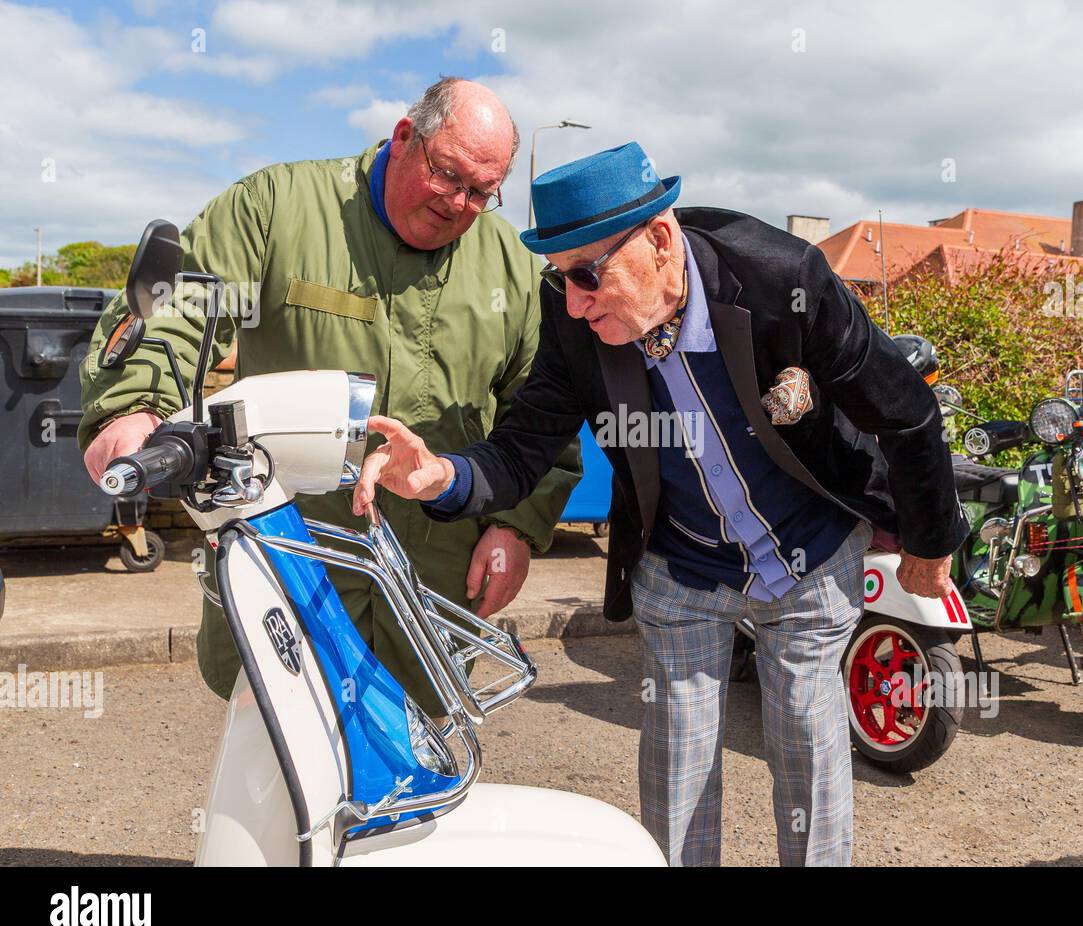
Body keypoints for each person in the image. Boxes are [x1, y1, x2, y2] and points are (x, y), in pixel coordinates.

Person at [350, 142, 968, 865]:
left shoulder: (781, 281)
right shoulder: (569, 314)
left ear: (661, 241)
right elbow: (523, 449)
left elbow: (905, 412)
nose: (575, 303)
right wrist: (441, 477)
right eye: (561, 278)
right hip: (682, 571)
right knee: (677, 773)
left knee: (807, 740)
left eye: (588, 274)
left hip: (810, 553)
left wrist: (929, 543)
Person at [78, 78, 581, 718]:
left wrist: (517, 526)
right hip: (288, 565)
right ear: (405, 138)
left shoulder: (511, 262)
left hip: (432, 583)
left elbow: (544, 415)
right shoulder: (276, 208)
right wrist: (135, 407)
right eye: (447, 175)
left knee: (419, 776)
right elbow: (179, 305)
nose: (459, 204)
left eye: (482, 192)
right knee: (278, 770)